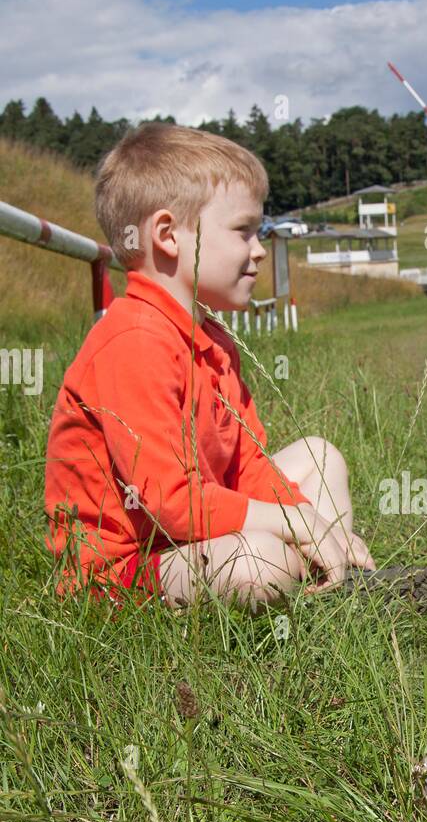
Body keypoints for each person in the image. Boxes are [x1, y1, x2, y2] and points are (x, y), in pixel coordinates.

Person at [44, 122, 378, 610]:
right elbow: (170, 503)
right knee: (261, 564)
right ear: (167, 236)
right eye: (244, 230)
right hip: (127, 566)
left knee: (321, 457)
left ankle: (336, 580)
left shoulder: (212, 337)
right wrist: (294, 523)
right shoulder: (134, 340)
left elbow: (247, 466)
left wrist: (312, 520)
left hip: (193, 536)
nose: (260, 248)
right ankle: (318, 578)